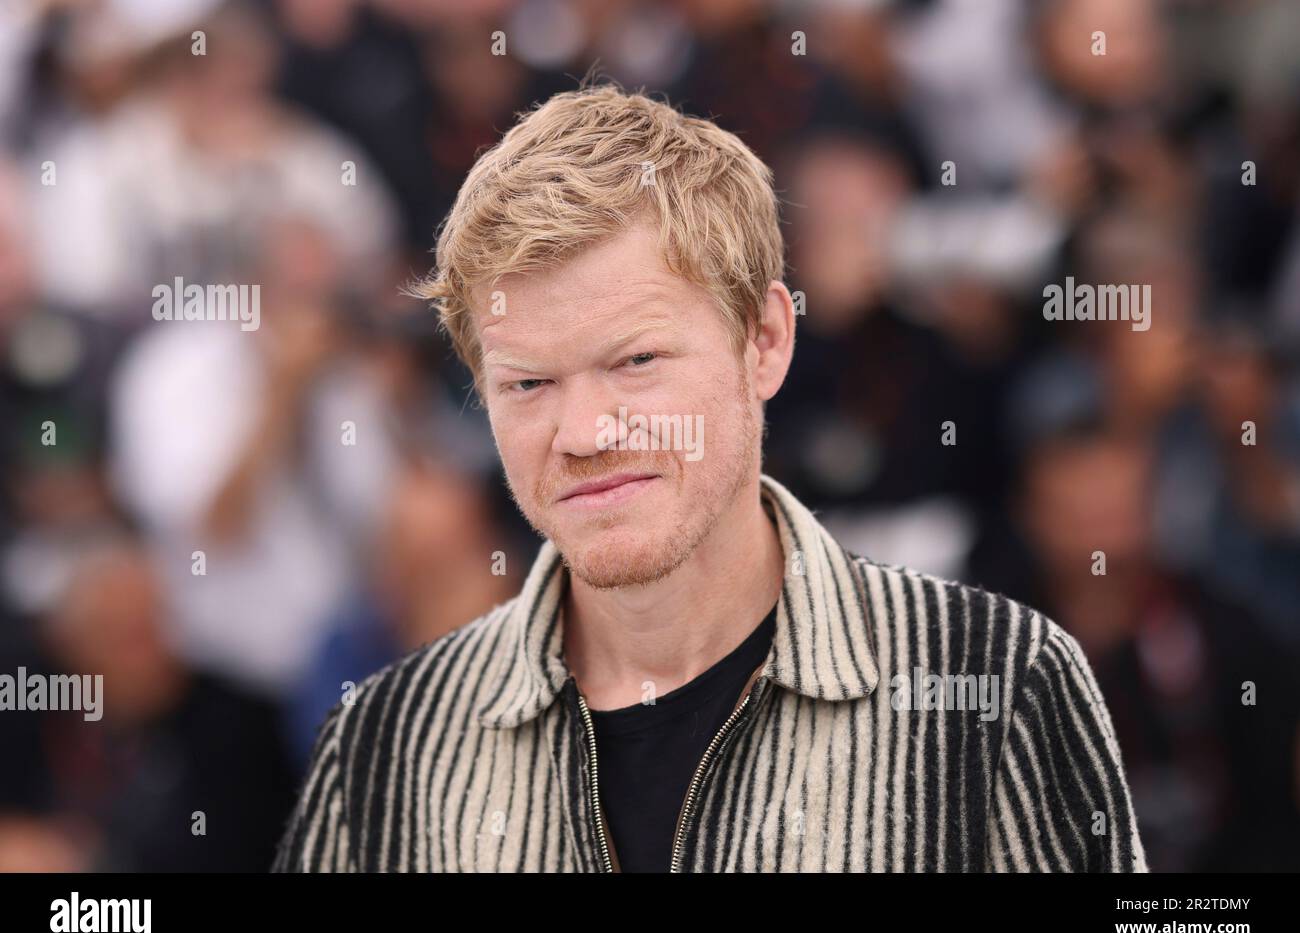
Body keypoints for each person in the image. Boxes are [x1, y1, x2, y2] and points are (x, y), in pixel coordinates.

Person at [273, 82, 1146, 873]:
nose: (582, 433)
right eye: (528, 384)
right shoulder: (383, 753)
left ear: (764, 340)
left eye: (637, 359)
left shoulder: (1002, 690)